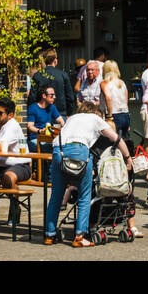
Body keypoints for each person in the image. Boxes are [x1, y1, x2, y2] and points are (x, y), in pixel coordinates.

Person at [43, 100, 131, 247]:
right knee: (84, 196)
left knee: (55, 197)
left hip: (58, 151)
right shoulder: (95, 119)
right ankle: (79, 237)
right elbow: (116, 139)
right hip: (79, 151)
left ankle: (49, 235)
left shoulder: (71, 118)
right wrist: (128, 159)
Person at [29, 48, 76, 118]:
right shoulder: (63, 75)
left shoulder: (37, 76)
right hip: (60, 113)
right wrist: (69, 112)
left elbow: (32, 97)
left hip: (42, 113)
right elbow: (70, 97)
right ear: (55, 61)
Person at [101, 60, 131, 145]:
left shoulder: (104, 83)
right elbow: (126, 101)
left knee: (112, 143)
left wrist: (109, 115)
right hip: (125, 114)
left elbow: (108, 97)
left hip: (113, 115)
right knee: (124, 142)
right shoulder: (122, 83)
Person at [27, 84, 64, 151]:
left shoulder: (52, 107)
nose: (54, 97)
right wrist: (40, 131)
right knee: (51, 148)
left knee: (61, 146)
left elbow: (61, 121)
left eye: (54, 95)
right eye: (52, 95)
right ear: (44, 96)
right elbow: (30, 127)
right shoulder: (33, 108)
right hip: (36, 138)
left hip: (49, 138)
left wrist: (62, 126)